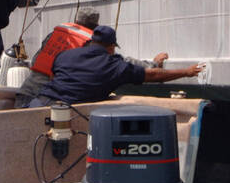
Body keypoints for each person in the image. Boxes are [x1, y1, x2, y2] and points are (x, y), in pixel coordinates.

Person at [13, 9, 168, 108]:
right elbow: (120, 63)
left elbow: (36, 61)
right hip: (49, 103)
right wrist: (153, 64)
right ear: (95, 26)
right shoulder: (89, 42)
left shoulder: (56, 34)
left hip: (25, 96)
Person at [29, 25, 202, 107]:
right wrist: (186, 72)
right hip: (64, 113)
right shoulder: (114, 66)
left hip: (36, 105)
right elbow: (152, 75)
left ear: (91, 41)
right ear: (111, 47)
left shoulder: (64, 56)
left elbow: (52, 78)